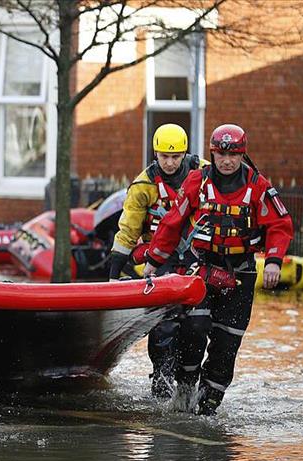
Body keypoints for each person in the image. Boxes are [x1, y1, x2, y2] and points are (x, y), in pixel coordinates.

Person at [143, 124, 293, 415]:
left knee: (227, 342)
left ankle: (209, 402)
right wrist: (154, 260)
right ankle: (185, 386)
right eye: (221, 155)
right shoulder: (197, 181)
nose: (226, 161)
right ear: (212, 154)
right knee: (194, 327)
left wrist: (274, 261)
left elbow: (279, 224)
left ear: (242, 155)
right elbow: (172, 222)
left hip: (241, 273)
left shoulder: (258, 186)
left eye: (233, 155)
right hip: (202, 267)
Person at [108, 123, 205, 400]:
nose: (170, 163)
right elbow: (127, 231)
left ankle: (189, 381)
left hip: (197, 256)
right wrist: (114, 275)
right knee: (163, 324)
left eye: (176, 157)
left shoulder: (204, 173)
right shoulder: (143, 186)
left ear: (185, 154)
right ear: (155, 154)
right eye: (165, 157)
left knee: (197, 323)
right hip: (160, 258)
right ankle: (161, 378)